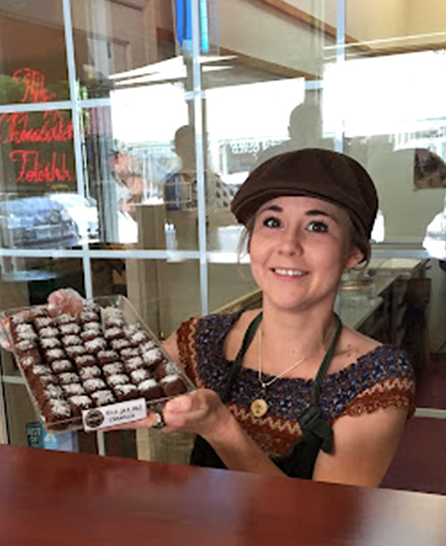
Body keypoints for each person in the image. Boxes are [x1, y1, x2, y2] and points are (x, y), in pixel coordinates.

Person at [146, 148, 415, 485]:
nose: (288, 245)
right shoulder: (203, 341)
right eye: (272, 222)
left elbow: (324, 521)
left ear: (353, 252)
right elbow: (122, 386)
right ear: (251, 241)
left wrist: (220, 427)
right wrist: (80, 326)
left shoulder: (375, 379)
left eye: (317, 226)